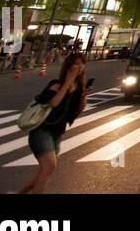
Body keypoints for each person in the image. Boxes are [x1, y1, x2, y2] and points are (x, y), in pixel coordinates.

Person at [18, 52, 89, 194]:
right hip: (42, 131)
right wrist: (68, 82)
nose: (79, 66)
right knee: (49, 166)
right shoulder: (56, 84)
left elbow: (77, 112)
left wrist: (83, 96)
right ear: (68, 66)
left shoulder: (79, 89)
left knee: (45, 172)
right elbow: (54, 103)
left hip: (57, 133)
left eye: (82, 63)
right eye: (76, 63)